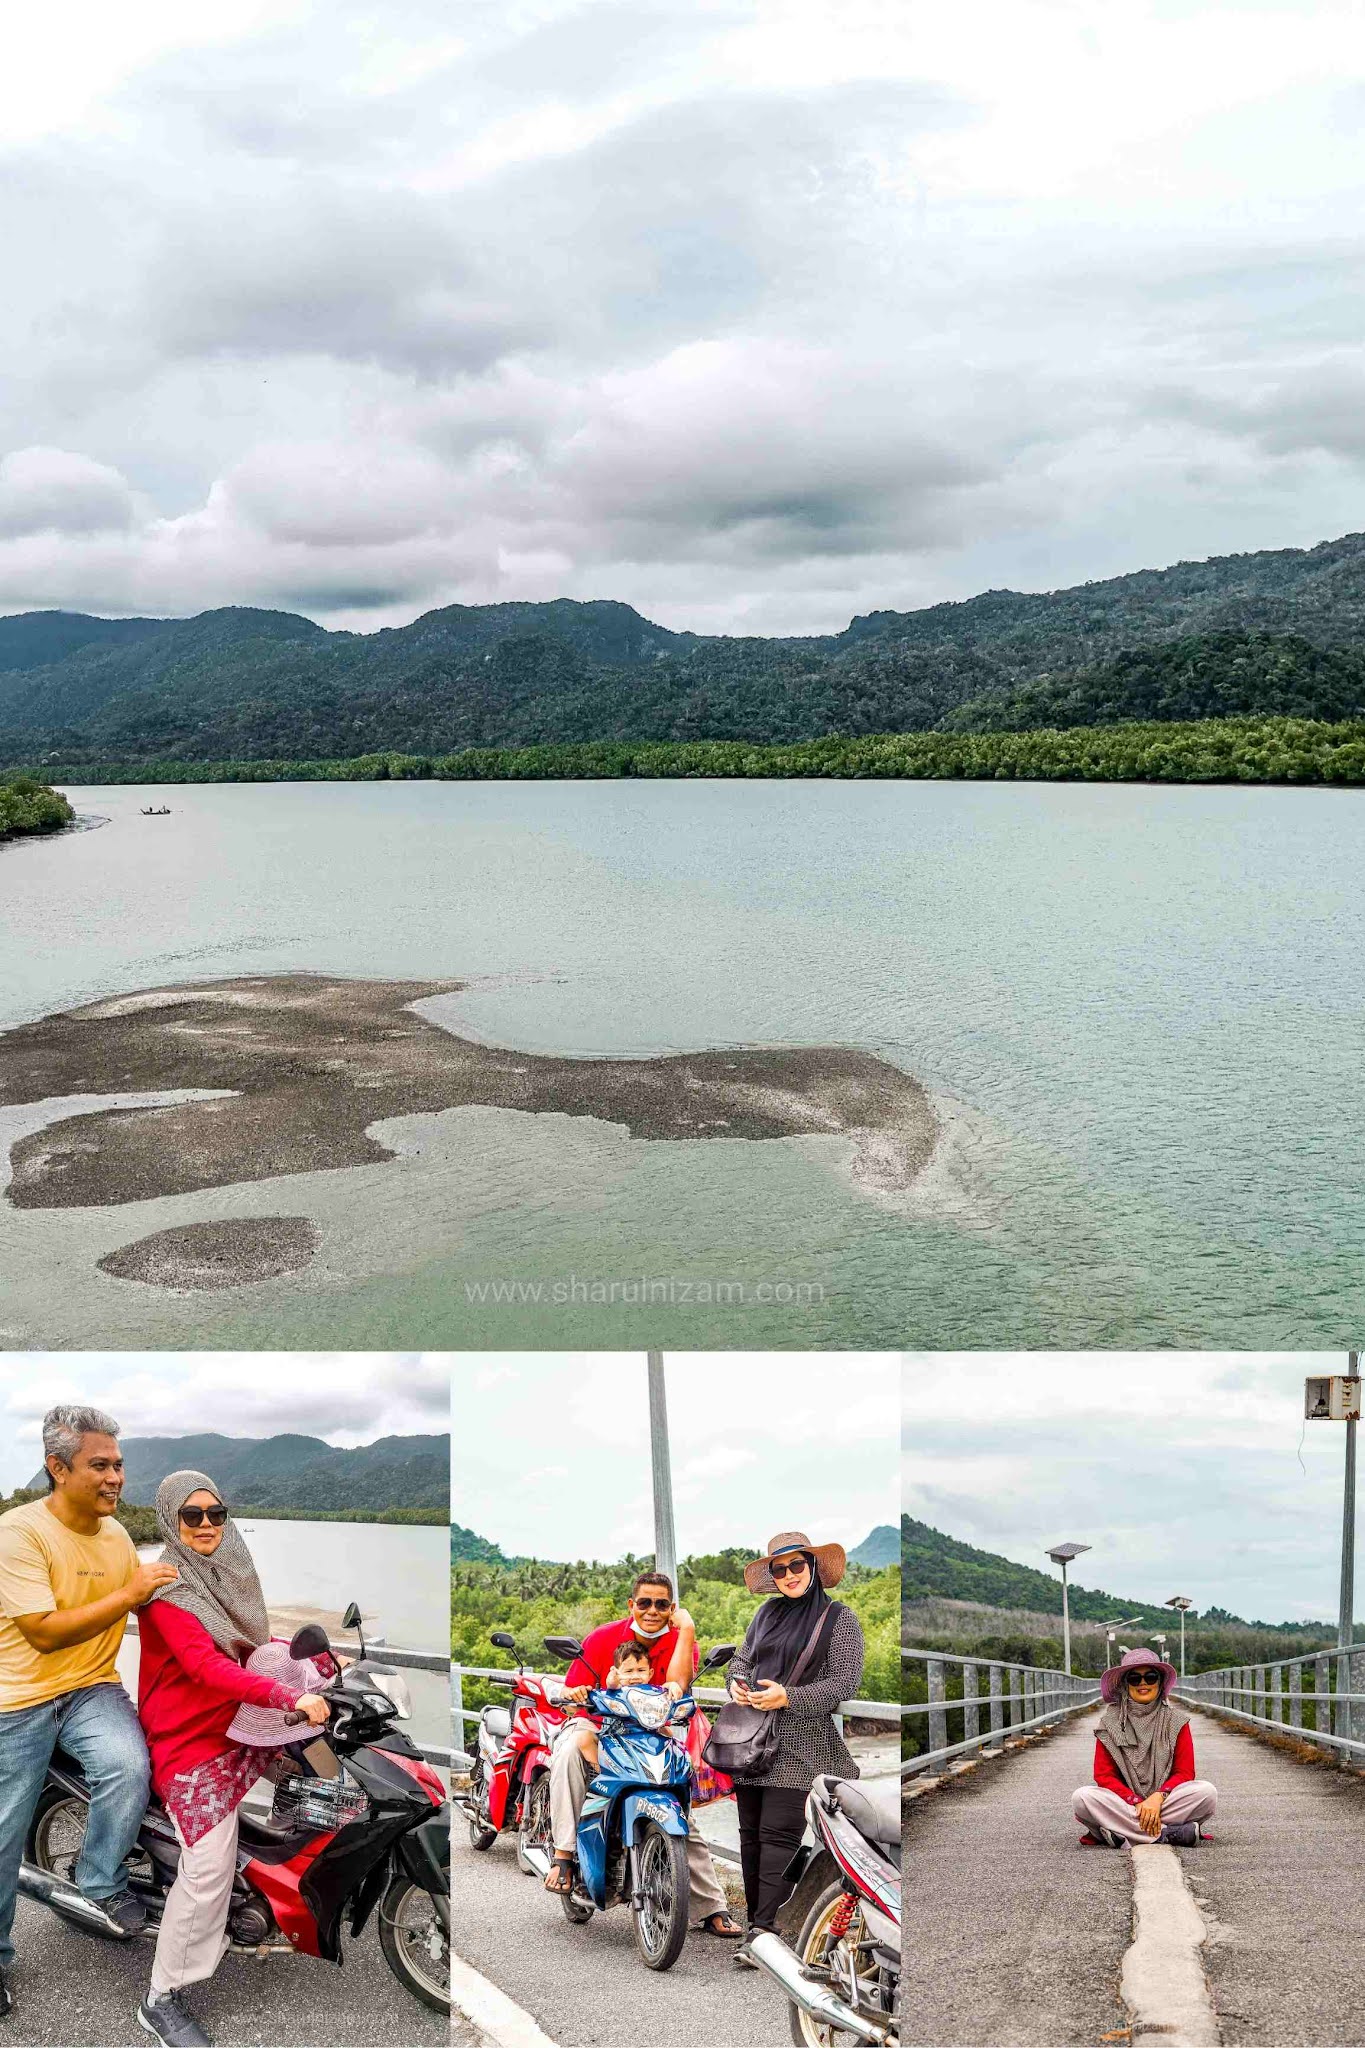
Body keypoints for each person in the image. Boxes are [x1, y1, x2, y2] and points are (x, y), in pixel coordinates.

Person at [133, 1471, 331, 2048]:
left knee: (315, 1777)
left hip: (234, 1724)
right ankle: (161, 1996)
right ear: (171, 1519)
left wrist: (319, 1668)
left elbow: (255, 1648)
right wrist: (288, 1696)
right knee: (208, 1866)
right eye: (191, 1516)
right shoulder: (169, 1589)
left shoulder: (229, 1573)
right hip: (187, 1740)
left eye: (215, 1514)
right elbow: (204, 1667)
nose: (205, 1526)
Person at [0, 1405, 176, 2023]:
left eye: (119, 1465)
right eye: (99, 1465)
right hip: (16, 1698)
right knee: (2, 1833)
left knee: (131, 1768)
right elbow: (44, 1634)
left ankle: (100, 1881)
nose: (115, 1477)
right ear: (57, 1466)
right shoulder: (19, 1533)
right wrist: (129, 1593)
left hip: (90, 1689)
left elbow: (152, 1613)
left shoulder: (117, 1536)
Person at [543, 1569, 742, 1939]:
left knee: (674, 1798)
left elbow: (679, 1686)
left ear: (672, 1608)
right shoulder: (604, 1638)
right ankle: (564, 1856)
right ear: (631, 1604)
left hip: (650, 1730)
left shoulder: (679, 1639)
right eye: (645, 1602)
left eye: (662, 1604)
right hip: (598, 1725)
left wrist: (688, 1630)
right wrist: (580, 1694)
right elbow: (572, 1692)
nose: (652, 1610)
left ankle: (710, 1905)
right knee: (570, 1751)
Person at [727, 1530, 865, 1963]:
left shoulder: (839, 1618)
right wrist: (735, 1684)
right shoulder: (766, 1613)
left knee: (779, 1834)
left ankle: (766, 1931)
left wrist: (789, 1696)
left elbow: (845, 1681)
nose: (788, 1575)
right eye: (779, 1568)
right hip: (752, 1739)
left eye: (796, 1566)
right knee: (750, 1835)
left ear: (812, 1567)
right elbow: (740, 1661)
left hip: (802, 1742)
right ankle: (758, 1924)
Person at [1072, 1647, 1217, 1848]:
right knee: (1082, 1798)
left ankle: (1122, 1833)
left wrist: (1157, 1798)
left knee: (1206, 1793)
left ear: (1159, 1683)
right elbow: (1104, 1776)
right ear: (1125, 1684)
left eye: (1150, 1677)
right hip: (1124, 1803)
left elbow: (1184, 1772)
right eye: (1135, 1678)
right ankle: (1166, 1833)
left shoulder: (1176, 1721)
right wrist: (1136, 1802)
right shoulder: (1110, 1723)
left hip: (1164, 1802)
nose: (1143, 1684)